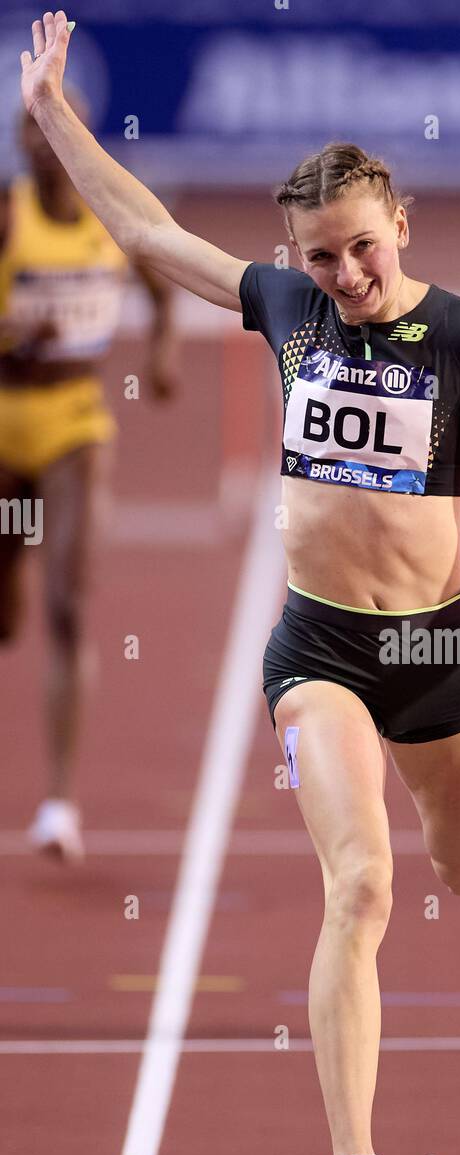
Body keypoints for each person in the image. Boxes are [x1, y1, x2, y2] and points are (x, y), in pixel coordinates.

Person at [20, 12, 460, 1155]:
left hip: (440, 651)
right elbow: (151, 233)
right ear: (294, 256)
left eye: (362, 251)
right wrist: (56, 120)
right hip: (317, 650)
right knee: (361, 885)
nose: (346, 278)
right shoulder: (285, 307)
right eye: (320, 259)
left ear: (402, 225)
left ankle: (456, 817)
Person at [0, 85, 178, 861]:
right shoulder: (8, 218)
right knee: (6, 616)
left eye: (51, 131)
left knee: (70, 604)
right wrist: (13, 331)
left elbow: (162, 289)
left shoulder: (114, 219)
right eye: (28, 132)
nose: (40, 145)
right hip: (6, 428)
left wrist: (162, 355)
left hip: (75, 424)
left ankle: (61, 804)